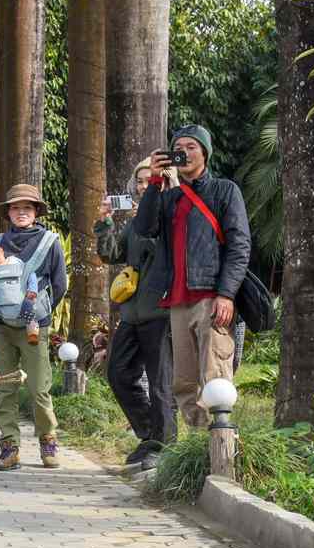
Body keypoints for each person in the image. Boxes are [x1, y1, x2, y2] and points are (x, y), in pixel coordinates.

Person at [135, 124, 251, 427]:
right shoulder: (170, 197)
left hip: (211, 298)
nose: (184, 152)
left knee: (214, 377)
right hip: (177, 302)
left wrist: (226, 294)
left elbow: (240, 245)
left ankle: (221, 449)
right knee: (184, 383)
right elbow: (144, 228)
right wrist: (154, 181)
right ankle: (200, 447)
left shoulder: (224, 191)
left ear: (205, 153)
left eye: (191, 147)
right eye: (179, 147)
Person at [96, 159, 176, 470]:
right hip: (131, 311)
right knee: (118, 373)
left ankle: (164, 446)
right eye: (139, 182)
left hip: (161, 311)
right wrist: (104, 223)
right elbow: (111, 253)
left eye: (149, 180)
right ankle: (149, 434)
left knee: (159, 383)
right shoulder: (133, 223)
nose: (143, 186)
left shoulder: (172, 215)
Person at [0, 184, 67, 471]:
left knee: (38, 389)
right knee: (5, 388)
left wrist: (40, 313)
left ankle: (48, 441)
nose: (21, 212)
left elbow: (59, 284)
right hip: (2, 329)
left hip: (34, 328)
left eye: (27, 208)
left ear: (36, 212)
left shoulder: (49, 241)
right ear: (8, 212)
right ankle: (10, 448)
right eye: (16, 207)